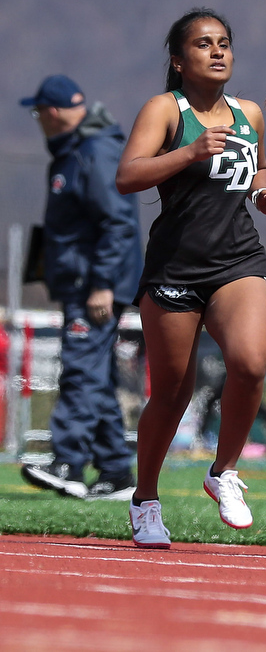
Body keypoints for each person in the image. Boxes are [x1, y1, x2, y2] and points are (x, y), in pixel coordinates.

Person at [115, 8, 266, 549]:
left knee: (251, 364)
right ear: (179, 60)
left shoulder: (248, 113)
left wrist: (263, 193)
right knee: (171, 395)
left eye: (225, 43)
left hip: (238, 259)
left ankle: (225, 471)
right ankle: (145, 499)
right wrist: (187, 152)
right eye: (204, 44)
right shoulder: (166, 109)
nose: (218, 52)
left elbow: (256, 168)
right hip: (175, 268)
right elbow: (127, 175)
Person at [19, 75, 143, 501]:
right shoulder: (78, 150)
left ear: (51, 112)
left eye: (38, 112)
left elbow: (117, 222)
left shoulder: (94, 151)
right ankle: (115, 473)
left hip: (95, 287)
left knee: (79, 372)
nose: (38, 121)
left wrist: (103, 284)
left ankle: (67, 463)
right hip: (84, 283)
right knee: (96, 376)